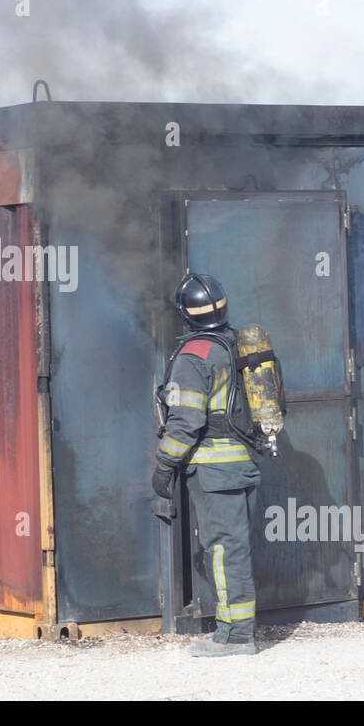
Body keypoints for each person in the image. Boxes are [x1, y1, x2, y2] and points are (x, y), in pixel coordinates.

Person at [153, 272, 261, 657]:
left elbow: (186, 421)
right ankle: (236, 630)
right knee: (233, 548)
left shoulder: (194, 355)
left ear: (186, 314)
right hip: (242, 463)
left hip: (214, 471)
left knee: (222, 550)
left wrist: (165, 465)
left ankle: (235, 637)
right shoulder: (234, 344)